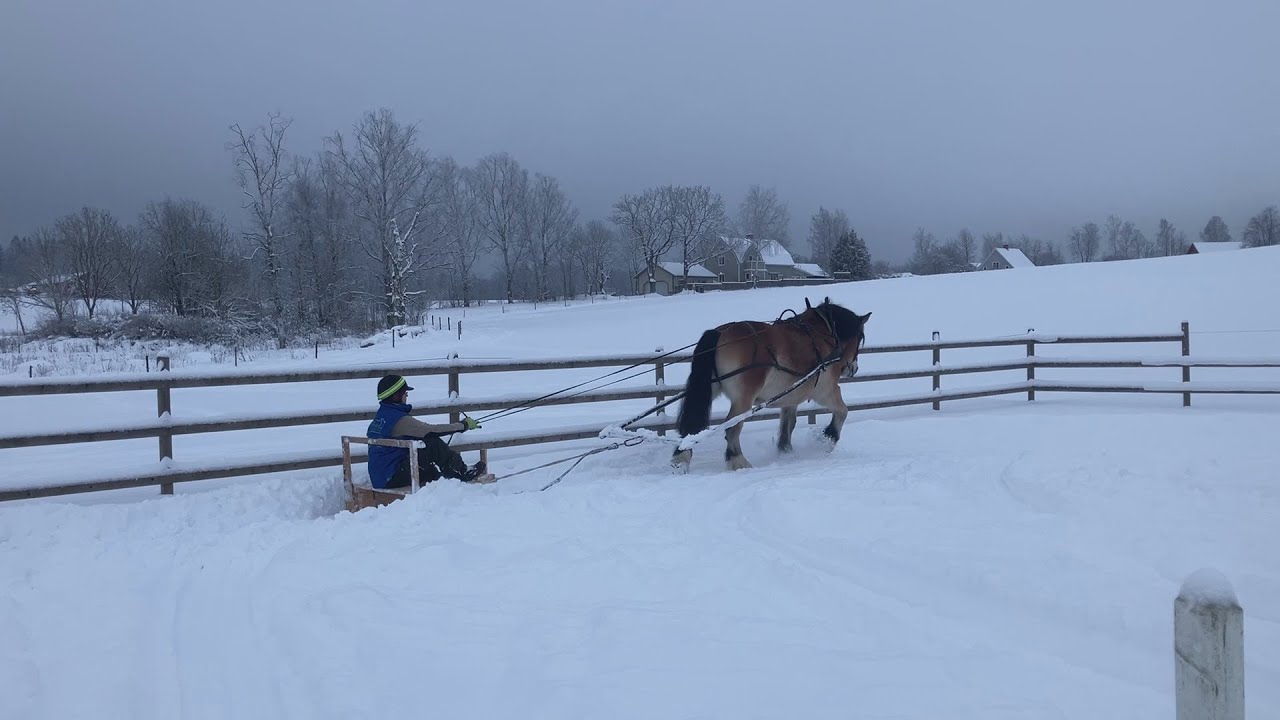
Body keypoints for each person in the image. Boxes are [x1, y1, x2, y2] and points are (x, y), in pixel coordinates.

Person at [366, 374, 492, 488]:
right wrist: (462, 425)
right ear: (396, 396)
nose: (407, 395)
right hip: (392, 477)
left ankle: (448, 485)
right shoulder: (398, 419)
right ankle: (462, 472)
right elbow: (431, 431)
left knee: (430, 469)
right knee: (432, 442)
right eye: (405, 393)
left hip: (382, 477)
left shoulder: (382, 416)